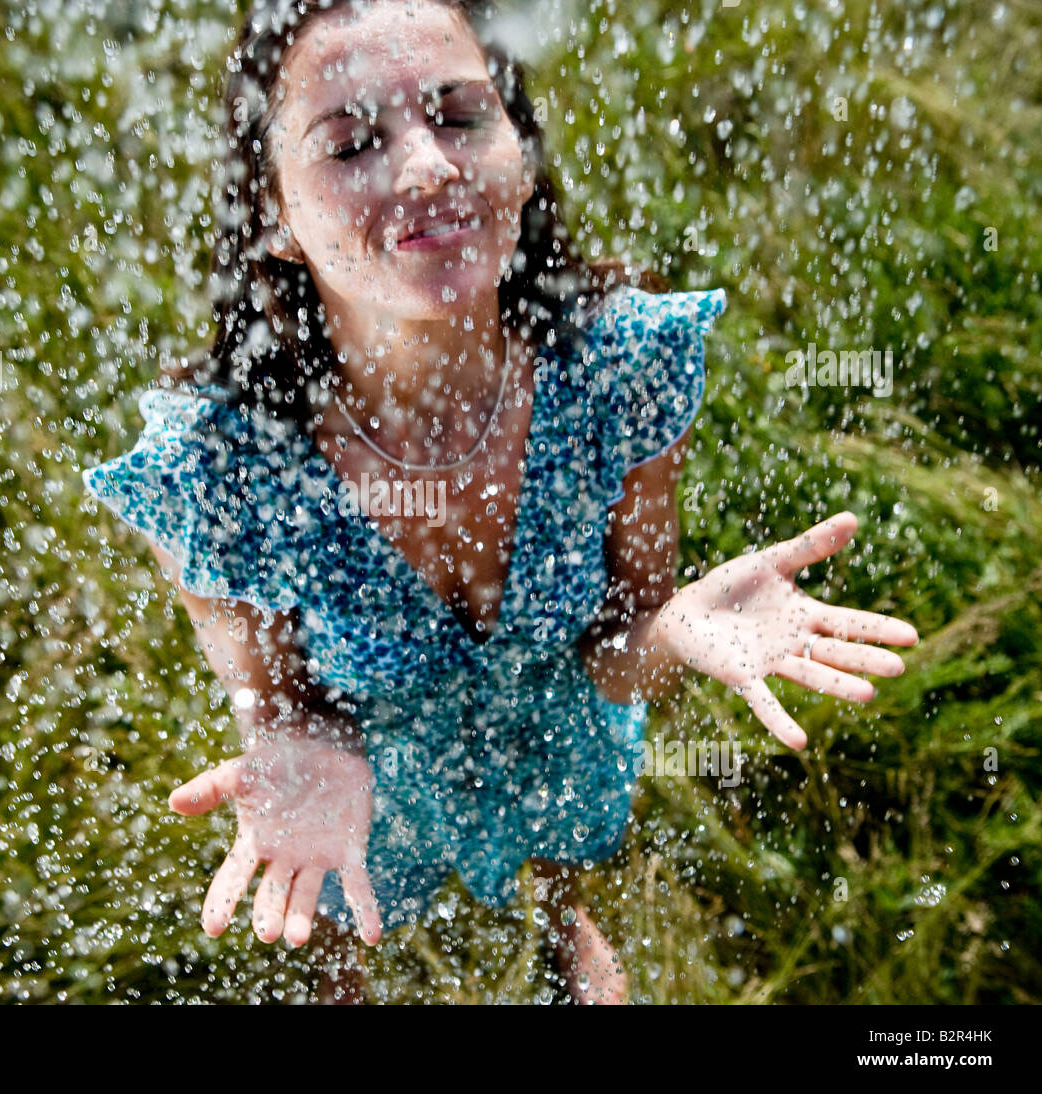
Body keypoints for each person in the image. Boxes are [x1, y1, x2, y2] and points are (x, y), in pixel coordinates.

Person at [82, 0, 919, 1004]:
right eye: (351, 142)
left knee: (555, 863)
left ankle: (559, 914)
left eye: (459, 118)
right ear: (272, 212)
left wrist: (678, 627)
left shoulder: (617, 363)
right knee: (334, 908)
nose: (428, 168)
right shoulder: (217, 464)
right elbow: (276, 707)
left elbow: (617, 656)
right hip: (369, 784)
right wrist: (298, 751)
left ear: (516, 152)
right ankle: (342, 967)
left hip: (559, 738)